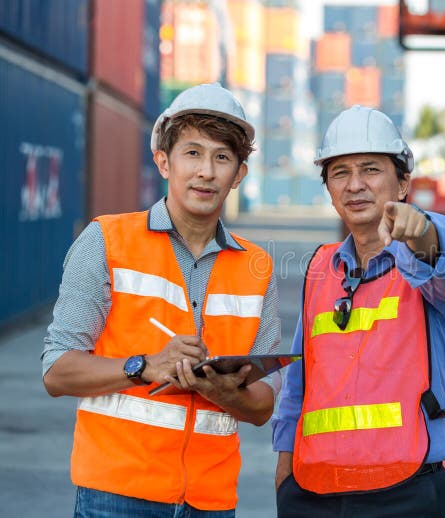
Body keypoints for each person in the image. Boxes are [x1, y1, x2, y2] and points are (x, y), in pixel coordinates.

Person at [41, 82, 281, 517]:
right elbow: (57, 371)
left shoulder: (257, 267)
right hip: (115, 495)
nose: (206, 171)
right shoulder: (107, 241)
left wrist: (221, 390)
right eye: (192, 153)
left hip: (210, 501)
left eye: (222, 157)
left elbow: (262, 406)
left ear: (239, 174)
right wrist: (145, 366)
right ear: (163, 161)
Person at [271, 105, 445, 517]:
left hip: (405, 493)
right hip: (314, 492)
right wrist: (285, 472)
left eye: (371, 169)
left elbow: (440, 253)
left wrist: (421, 228)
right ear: (328, 189)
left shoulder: (430, 267)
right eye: (339, 173)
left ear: (403, 183)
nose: (355, 185)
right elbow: (298, 385)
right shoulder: (321, 268)